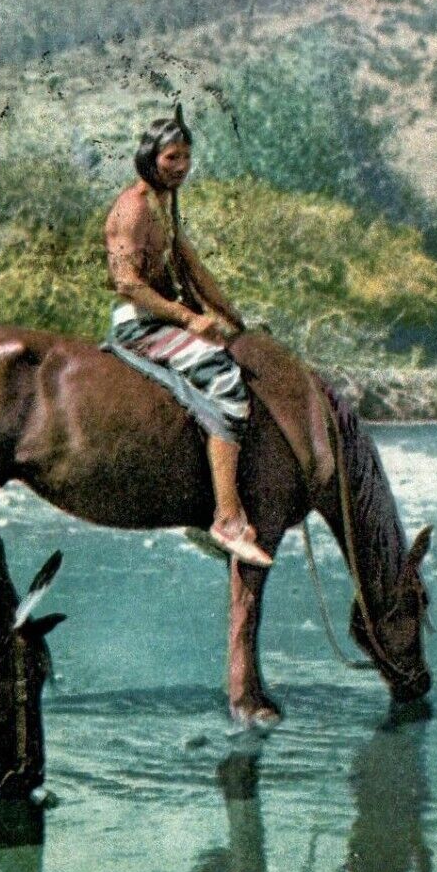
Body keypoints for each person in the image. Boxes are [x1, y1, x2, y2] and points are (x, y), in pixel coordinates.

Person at [104, 109, 274, 568]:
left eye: (186, 158)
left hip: (164, 323)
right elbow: (127, 283)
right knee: (225, 384)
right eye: (172, 157)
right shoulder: (134, 208)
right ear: (150, 157)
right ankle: (226, 518)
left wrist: (234, 320)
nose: (181, 167)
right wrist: (187, 318)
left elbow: (192, 266)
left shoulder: (165, 205)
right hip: (139, 326)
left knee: (233, 353)